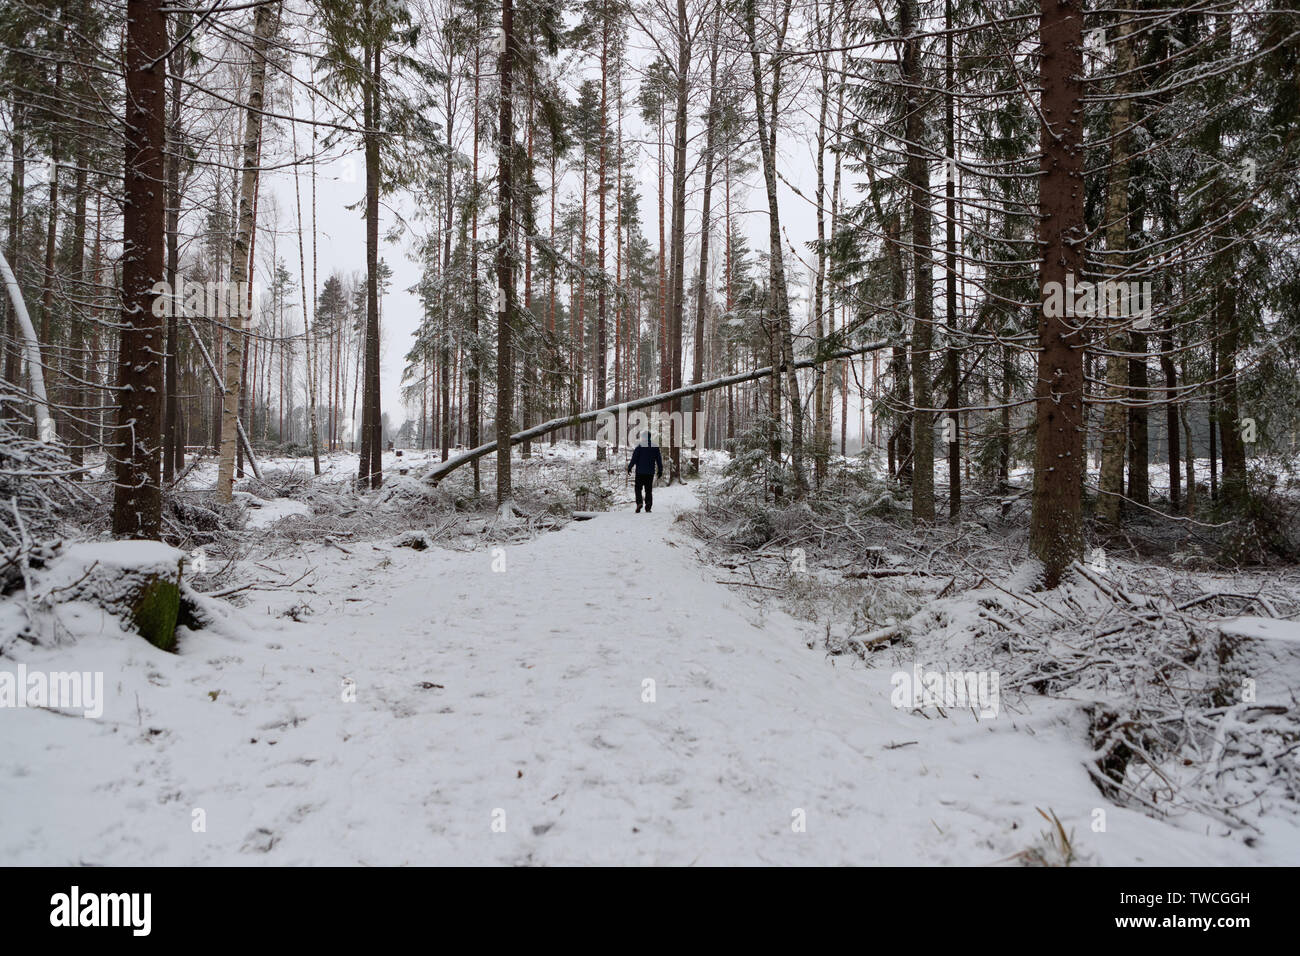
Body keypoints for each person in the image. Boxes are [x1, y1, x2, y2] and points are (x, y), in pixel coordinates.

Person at [626, 431, 663, 513]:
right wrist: (660, 470)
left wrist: (629, 467)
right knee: (648, 490)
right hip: (650, 473)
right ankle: (648, 506)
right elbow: (659, 460)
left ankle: (639, 503)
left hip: (640, 472)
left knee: (638, 488)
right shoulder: (655, 447)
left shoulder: (639, 447)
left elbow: (634, 459)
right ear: (650, 437)